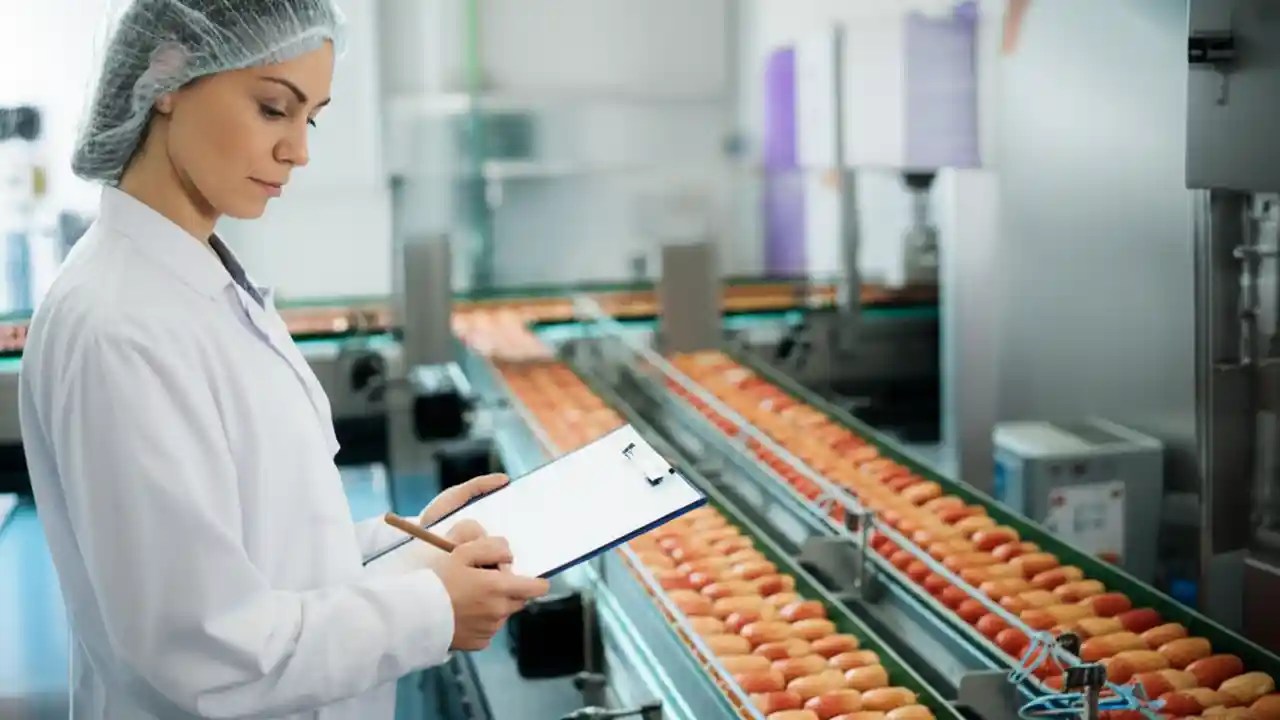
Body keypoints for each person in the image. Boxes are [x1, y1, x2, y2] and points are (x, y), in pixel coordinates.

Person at [17, 2, 549, 718]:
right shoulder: (120, 327)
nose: (298, 151)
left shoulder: (201, 285)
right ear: (167, 73)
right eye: (273, 108)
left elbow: (264, 552)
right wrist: (433, 610)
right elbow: (203, 647)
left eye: (311, 119)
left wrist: (412, 548)